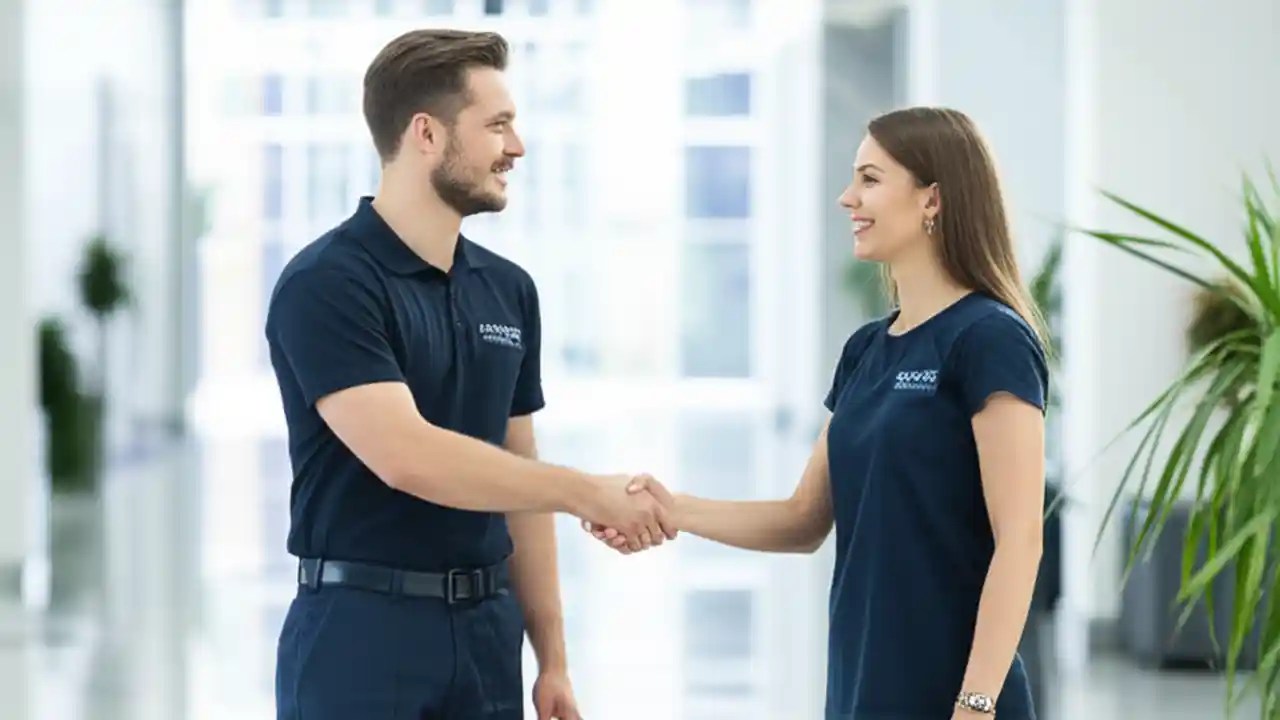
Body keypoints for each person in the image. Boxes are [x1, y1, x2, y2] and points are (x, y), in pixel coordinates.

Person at [586, 106, 1050, 720]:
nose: (846, 198)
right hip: (863, 682)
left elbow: (1020, 541)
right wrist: (674, 510)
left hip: (957, 694)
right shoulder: (866, 349)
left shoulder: (990, 339)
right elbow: (803, 520)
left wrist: (976, 702)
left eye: (870, 179)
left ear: (932, 199)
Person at [265, 29, 675, 720]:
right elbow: (407, 456)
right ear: (426, 134)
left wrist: (553, 660)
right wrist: (587, 494)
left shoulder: (508, 291)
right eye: (498, 125)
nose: (516, 148)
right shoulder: (328, 284)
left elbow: (518, 470)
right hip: (362, 634)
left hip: (488, 634)